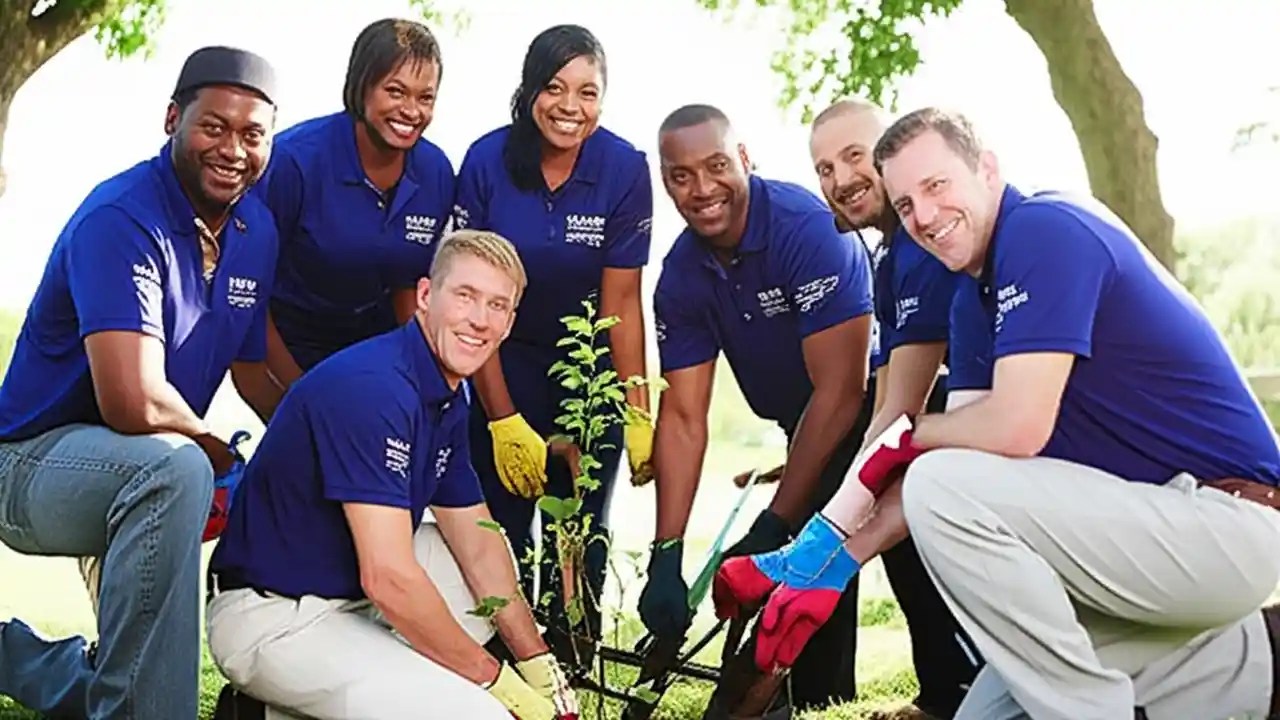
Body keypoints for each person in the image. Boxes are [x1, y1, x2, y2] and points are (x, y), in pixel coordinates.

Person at [721, 106, 1280, 720]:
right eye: (906, 204)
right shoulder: (969, 299)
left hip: (1224, 521)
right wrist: (827, 569)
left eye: (937, 186)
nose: (924, 217)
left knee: (940, 481)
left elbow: (1012, 429)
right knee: (986, 714)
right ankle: (1255, 663)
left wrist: (909, 436)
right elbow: (958, 459)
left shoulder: (1045, 229)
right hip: (1148, 546)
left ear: (986, 169)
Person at [0, 46, 283, 719]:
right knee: (180, 469)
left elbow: (250, 369)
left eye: (252, 135)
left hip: (143, 467)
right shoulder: (122, 218)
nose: (233, 150)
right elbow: (131, 400)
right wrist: (213, 444)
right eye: (214, 127)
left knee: (256, 475)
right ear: (172, 120)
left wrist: (315, 439)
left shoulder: (256, 229)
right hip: (27, 468)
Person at [206, 229, 580, 720]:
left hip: (342, 596)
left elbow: (477, 544)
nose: (479, 320)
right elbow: (388, 578)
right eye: (465, 296)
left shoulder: (447, 391)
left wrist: (539, 666)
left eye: (497, 306)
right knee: (477, 714)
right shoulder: (375, 389)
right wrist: (496, 681)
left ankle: (281, 711)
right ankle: (274, 697)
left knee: (482, 553)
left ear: (509, 323)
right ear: (426, 296)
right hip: (272, 615)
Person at [636, 103, 875, 711]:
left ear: (744, 158)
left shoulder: (804, 228)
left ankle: (816, 695)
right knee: (796, 544)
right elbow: (686, 419)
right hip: (804, 421)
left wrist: (773, 525)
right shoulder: (680, 278)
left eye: (716, 165)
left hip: (874, 409)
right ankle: (809, 697)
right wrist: (666, 554)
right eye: (680, 176)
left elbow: (842, 393)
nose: (702, 189)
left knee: (803, 541)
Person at [452, 23, 654, 660]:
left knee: (579, 531)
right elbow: (471, 304)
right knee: (504, 532)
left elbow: (622, 299)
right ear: (529, 90)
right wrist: (501, 418)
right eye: (555, 88)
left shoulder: (624, 168)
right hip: (501, 364)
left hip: (586, 370)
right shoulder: (485, 161)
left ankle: (572, 661)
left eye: (588, 92)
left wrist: (637, 406)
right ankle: (507, 665)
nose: (571, 107)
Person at [806, 98, 982, 717]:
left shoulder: (920, 246)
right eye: (824, 169)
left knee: (907, 513)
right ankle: (943, 689)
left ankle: (959, 690)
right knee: (890, 509)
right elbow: (884, 395)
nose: (840, 179)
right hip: (945, 416)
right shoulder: (888, 259)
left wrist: (831, 520)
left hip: (983, 422)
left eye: (854, 156)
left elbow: (901, 409)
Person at [258, 18, 456, 383]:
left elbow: (408, 286)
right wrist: (298, 392)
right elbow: (249, 292)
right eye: (395, 91)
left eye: (425, 97)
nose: (411, 111)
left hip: (378, 346)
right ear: (361, 86)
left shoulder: (436, 172)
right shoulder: (293, 161)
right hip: (290, 341)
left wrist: (427, 376)